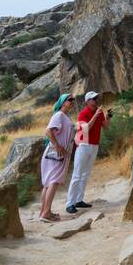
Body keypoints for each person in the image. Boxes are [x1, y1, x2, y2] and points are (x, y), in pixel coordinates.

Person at [65, 90, 110, 215]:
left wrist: (108, 117)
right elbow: (86, 130)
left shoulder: (99, 113)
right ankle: (70, 203)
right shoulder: (83, 114)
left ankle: (79, 200)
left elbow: (105, 126)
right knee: (77, 174)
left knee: (86, 174)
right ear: (87, 101)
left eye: (97, 98)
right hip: (84, 145)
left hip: (94, 145)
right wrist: (96, 115)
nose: (96, 100)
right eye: (93, 99)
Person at [39, 94, 77, 222]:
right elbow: (48, 131)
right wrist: (58, 146)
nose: (72, 102)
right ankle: (46, 213)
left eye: (73, 100)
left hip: (55, 155)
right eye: (70, 99)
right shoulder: (59, 115)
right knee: (53, 182)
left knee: (48, 183)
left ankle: (44, 212)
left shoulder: (64, 116)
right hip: (56, 154)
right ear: (62, 102)